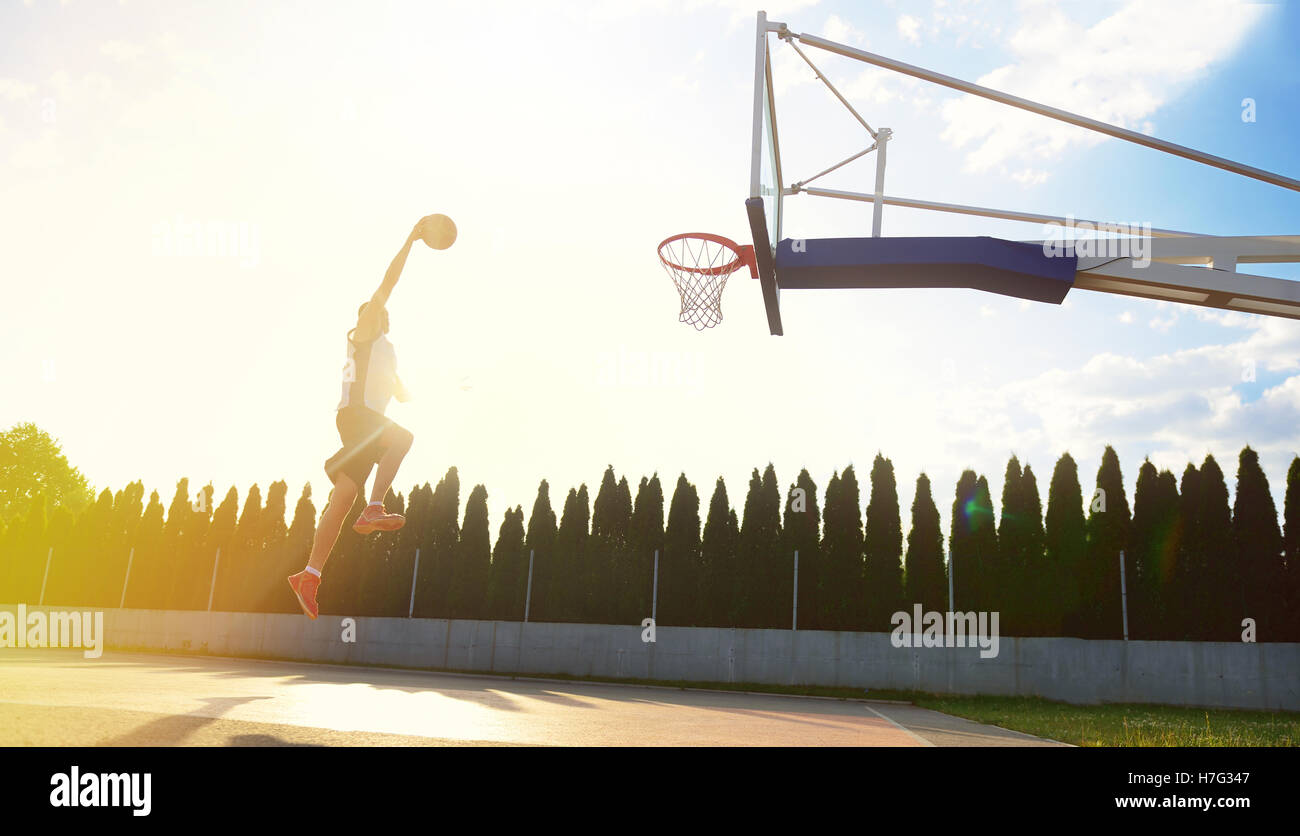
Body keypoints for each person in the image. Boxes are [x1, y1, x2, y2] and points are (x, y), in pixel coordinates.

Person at [288, 219, 424, 619]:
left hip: (365, 424)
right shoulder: (363, 335)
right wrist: (410, 241)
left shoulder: (387, 349)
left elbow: (398, 389)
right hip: (358, 418)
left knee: (341, 499)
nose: (374, 310)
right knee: (403, 439)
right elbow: (389, 282)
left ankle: (309, 575)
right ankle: (376, 507)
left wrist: (404, 390)